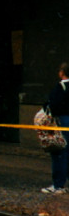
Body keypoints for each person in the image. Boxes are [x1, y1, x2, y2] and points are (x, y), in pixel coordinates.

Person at [43, 63, 69, 194]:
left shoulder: (60, 87)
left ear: (62, 73)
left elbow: (52, 105)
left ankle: (58, 184)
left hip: (62, 120)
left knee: (59, 151)